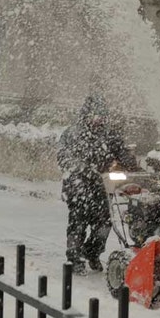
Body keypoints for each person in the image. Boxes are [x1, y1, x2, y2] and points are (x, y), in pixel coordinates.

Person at [57, 95, 136, 275]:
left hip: (102, 185)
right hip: (78, 185)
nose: (98, 119)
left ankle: (92, 252)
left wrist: (132, 164)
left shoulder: (109, 135)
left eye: (101, 115)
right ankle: (74, 256)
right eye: (95, 115)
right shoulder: (73, 134)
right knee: (78, 221)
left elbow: (121, 153)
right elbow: (63, 157)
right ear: (86, 115)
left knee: (105, 223)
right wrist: (82, 168)